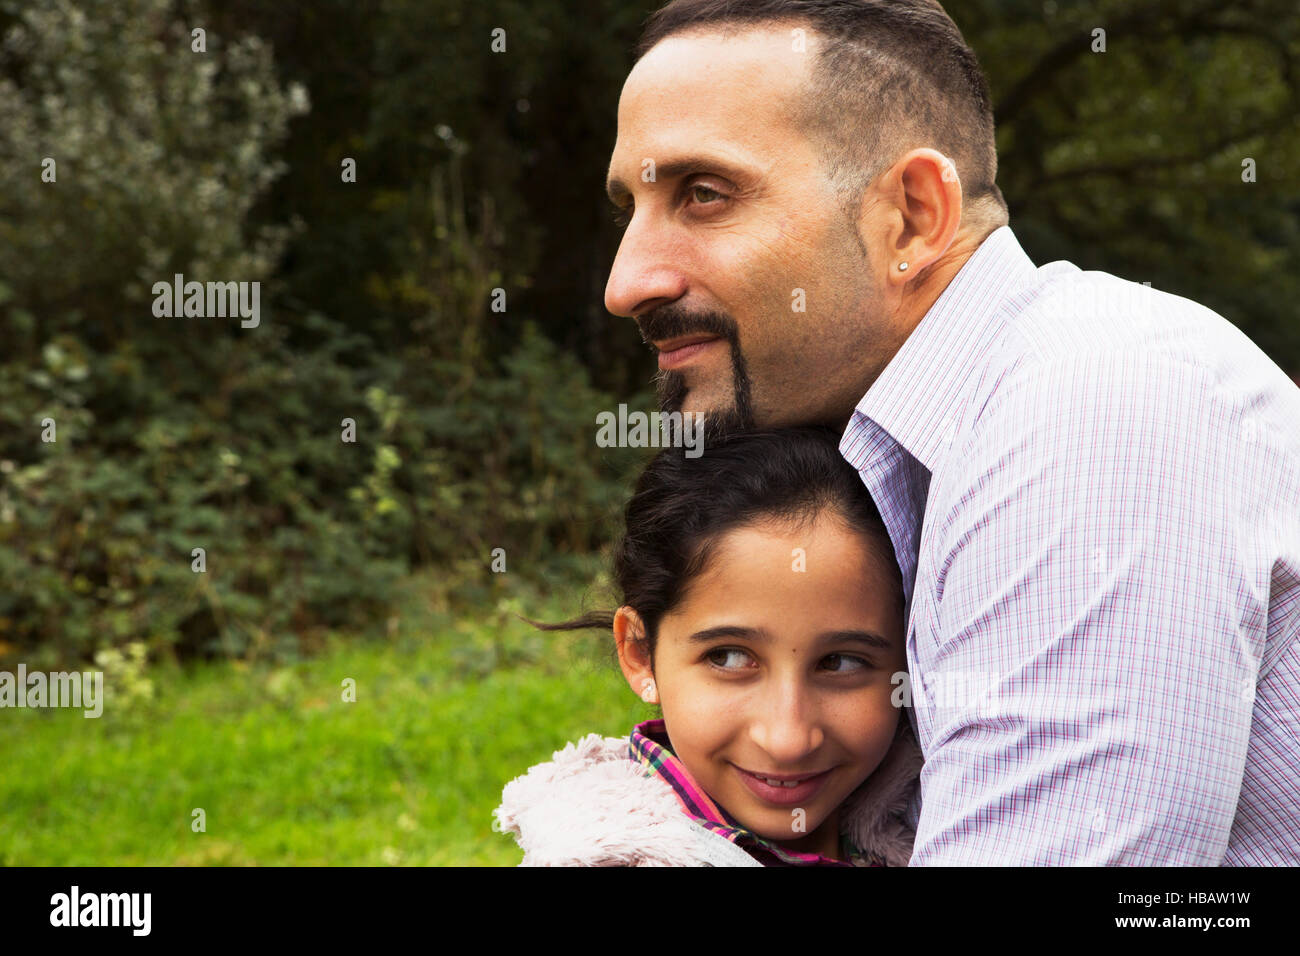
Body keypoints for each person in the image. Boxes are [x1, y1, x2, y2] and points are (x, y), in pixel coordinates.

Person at [602, 0, 1300, 864]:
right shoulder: (941, 441)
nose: (627, 281)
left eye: (702, 194)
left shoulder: (1091, 409)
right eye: (630, 207)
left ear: (914, 215)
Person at [493, 426, 923, 866]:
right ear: (641, 654)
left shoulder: (946, 809)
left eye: (840, 662)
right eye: (729, 657)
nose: (787, 740)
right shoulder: (606, 855)